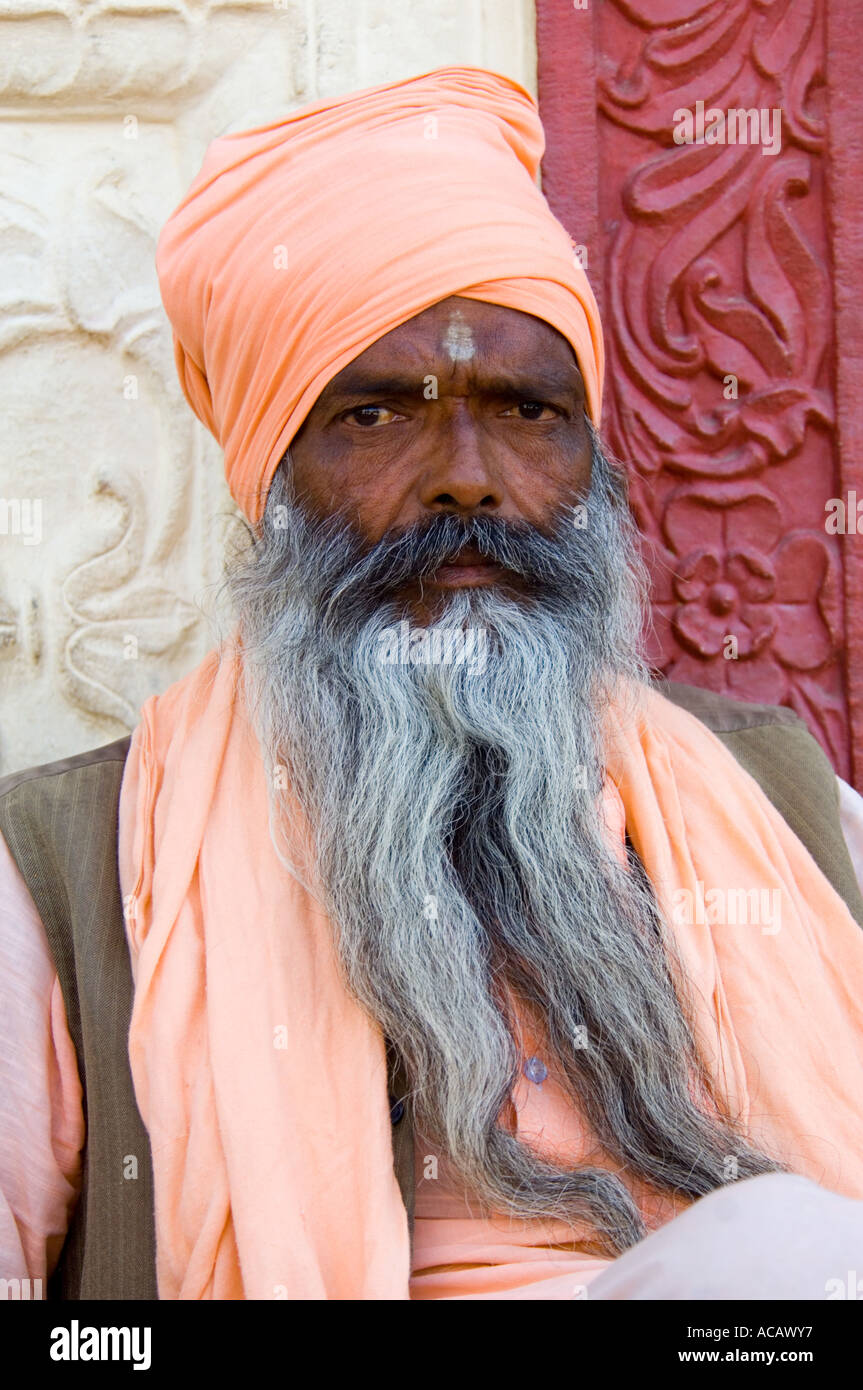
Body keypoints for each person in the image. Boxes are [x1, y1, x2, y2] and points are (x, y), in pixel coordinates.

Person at [2, 66, 863, 1302]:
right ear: (272, 474)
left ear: (591, 466)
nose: (466, 474)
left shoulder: (777, 796)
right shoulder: (60, 866)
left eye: (524, 409)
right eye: (374, 416)